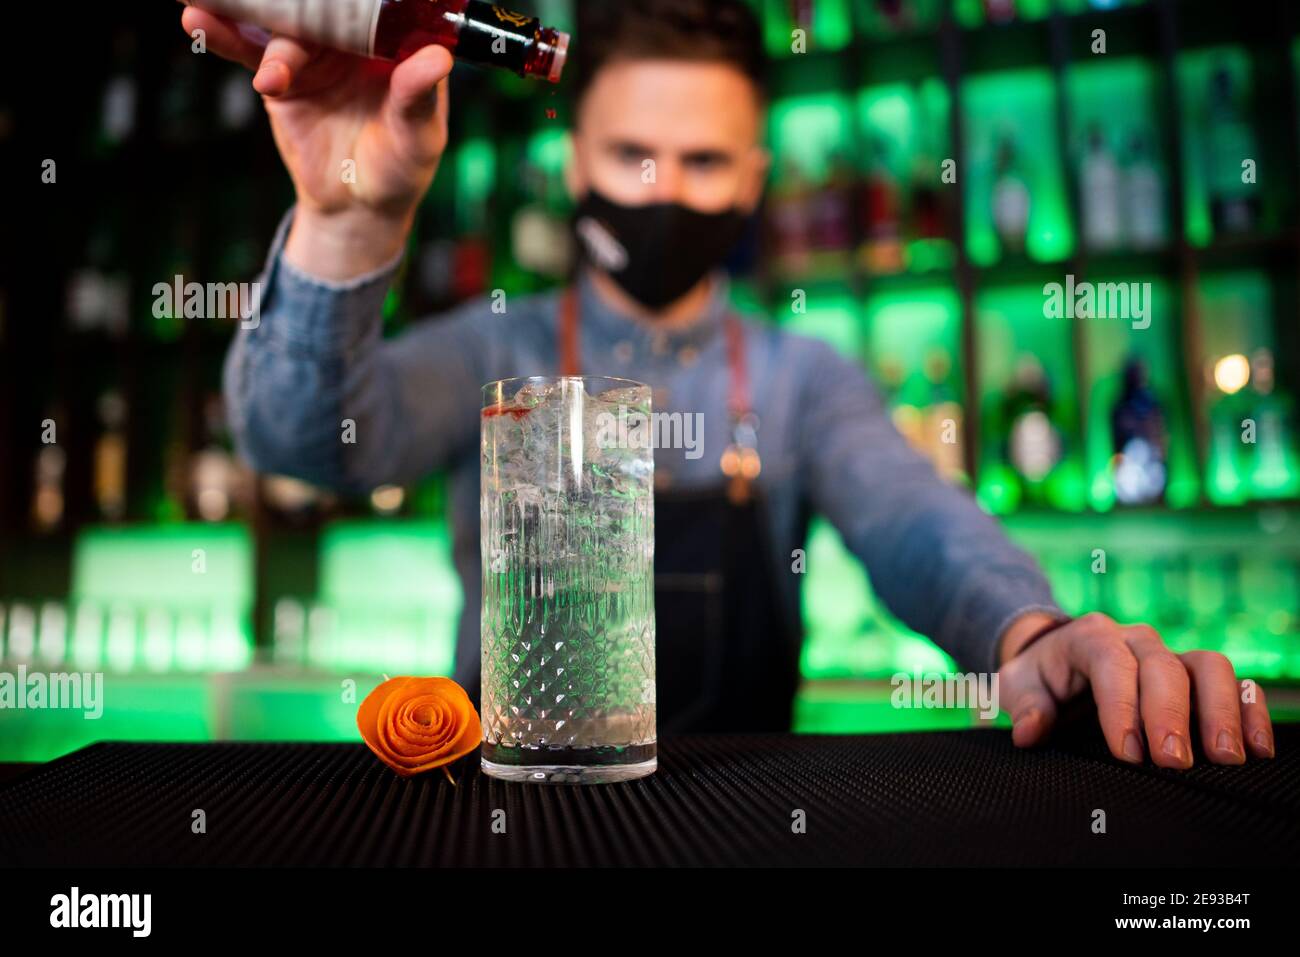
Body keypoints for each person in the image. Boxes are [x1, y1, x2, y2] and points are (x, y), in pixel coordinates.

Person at [184, 0, 1274, 764]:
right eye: (633, 158)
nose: (667, 193)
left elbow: (916, 523)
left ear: (756, 177)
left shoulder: (803, 376)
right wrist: (347, 221)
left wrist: (1031, 635)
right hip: (504, 825)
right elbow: (297, 441)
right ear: (574, 165)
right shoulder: (491, 352)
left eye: (705, 164)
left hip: (746, 834)